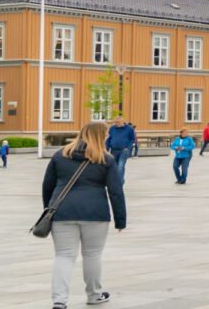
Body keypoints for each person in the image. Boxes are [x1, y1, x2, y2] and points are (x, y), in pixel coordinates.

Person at [42, 121, 126, 309]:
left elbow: (47, 185)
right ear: (101, 136)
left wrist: (48, 211)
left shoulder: (60, 155)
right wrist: (120, 220)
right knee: (92, 255)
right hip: (95, 213)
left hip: (62, 212)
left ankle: (59, 300)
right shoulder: (106, 159)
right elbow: (116, 191)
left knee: (63, 256)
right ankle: (94, 295)